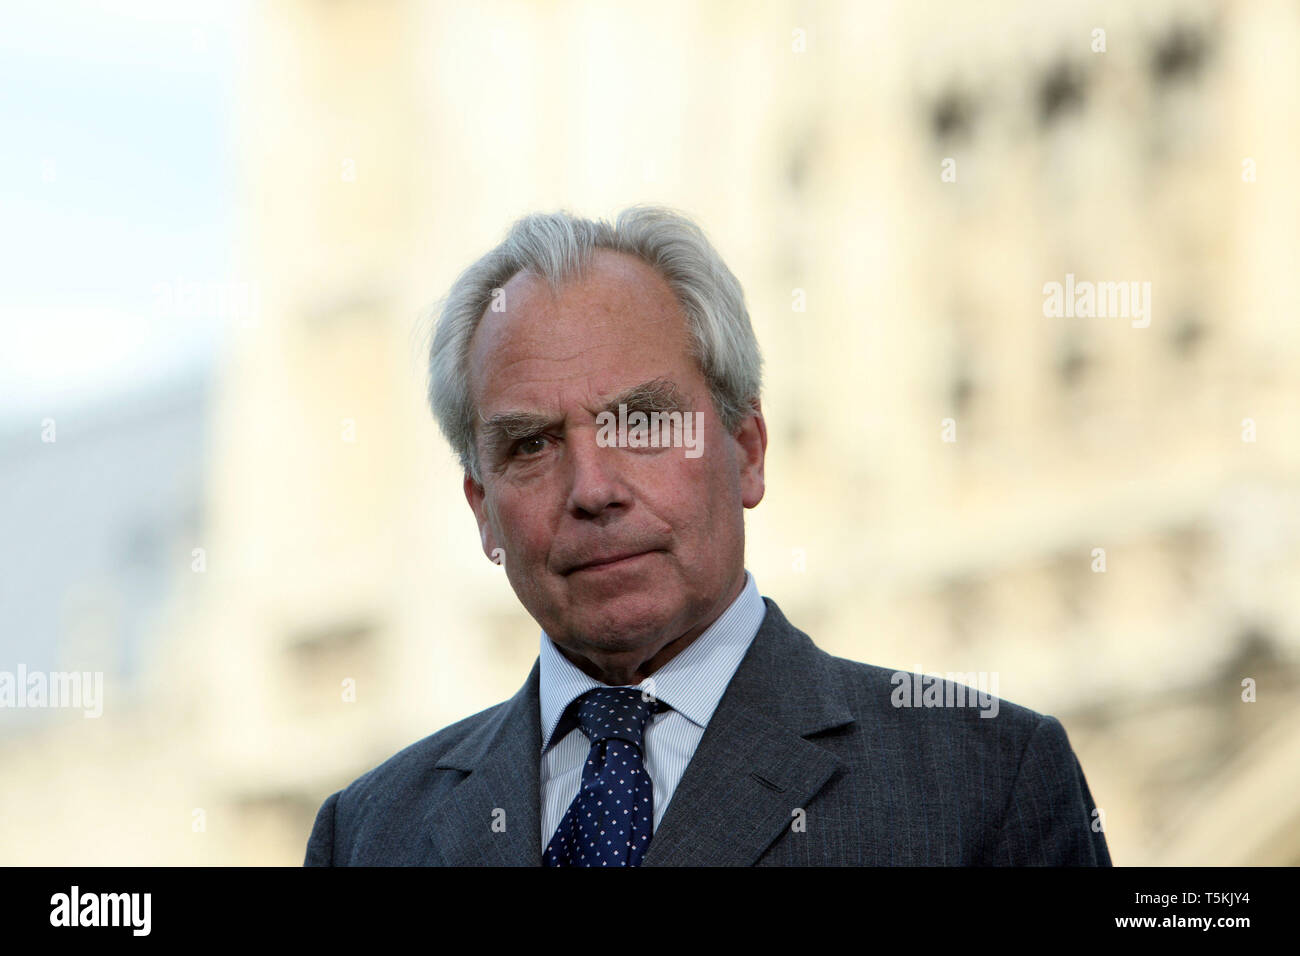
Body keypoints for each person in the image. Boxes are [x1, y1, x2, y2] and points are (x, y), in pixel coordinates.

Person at [304, 205, 1111, 866]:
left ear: (748, 450)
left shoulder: (983, 782)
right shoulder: (371, 835)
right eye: (532, 445)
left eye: (645, 423)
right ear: (482, 507)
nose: (593, 489)